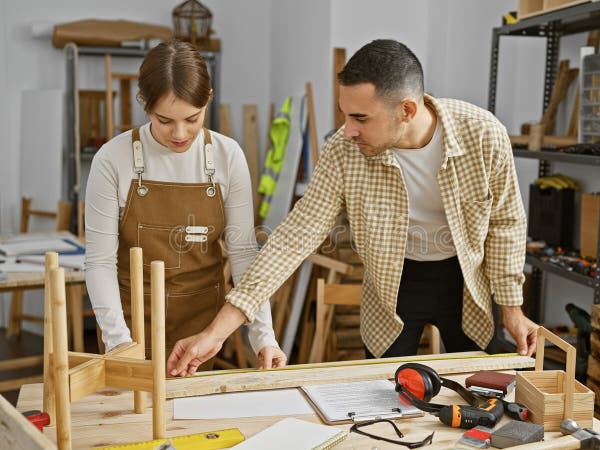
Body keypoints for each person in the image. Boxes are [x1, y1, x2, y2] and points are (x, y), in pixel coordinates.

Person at [167, 39, 537, 377]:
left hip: (466, 281)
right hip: (392, 286)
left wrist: (512, 309)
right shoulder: (343, 151)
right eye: (345, 115)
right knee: (387, 398)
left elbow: (505, 223)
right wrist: (217, 332)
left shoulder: (483, 134)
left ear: (406, 110)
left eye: (361, 118)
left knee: (479, 391)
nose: (347, 130)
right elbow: (292, 239)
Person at [85, 40, 286, 369]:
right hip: (129, 322)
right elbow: (99, 262)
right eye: (164, 121)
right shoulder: (112, 158)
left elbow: (243, 253)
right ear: (144, 105)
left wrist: (263, 335)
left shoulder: (227, 156)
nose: (180, 133)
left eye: (192, 119)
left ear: (208, 99)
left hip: (201, 330)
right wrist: (118, 342)